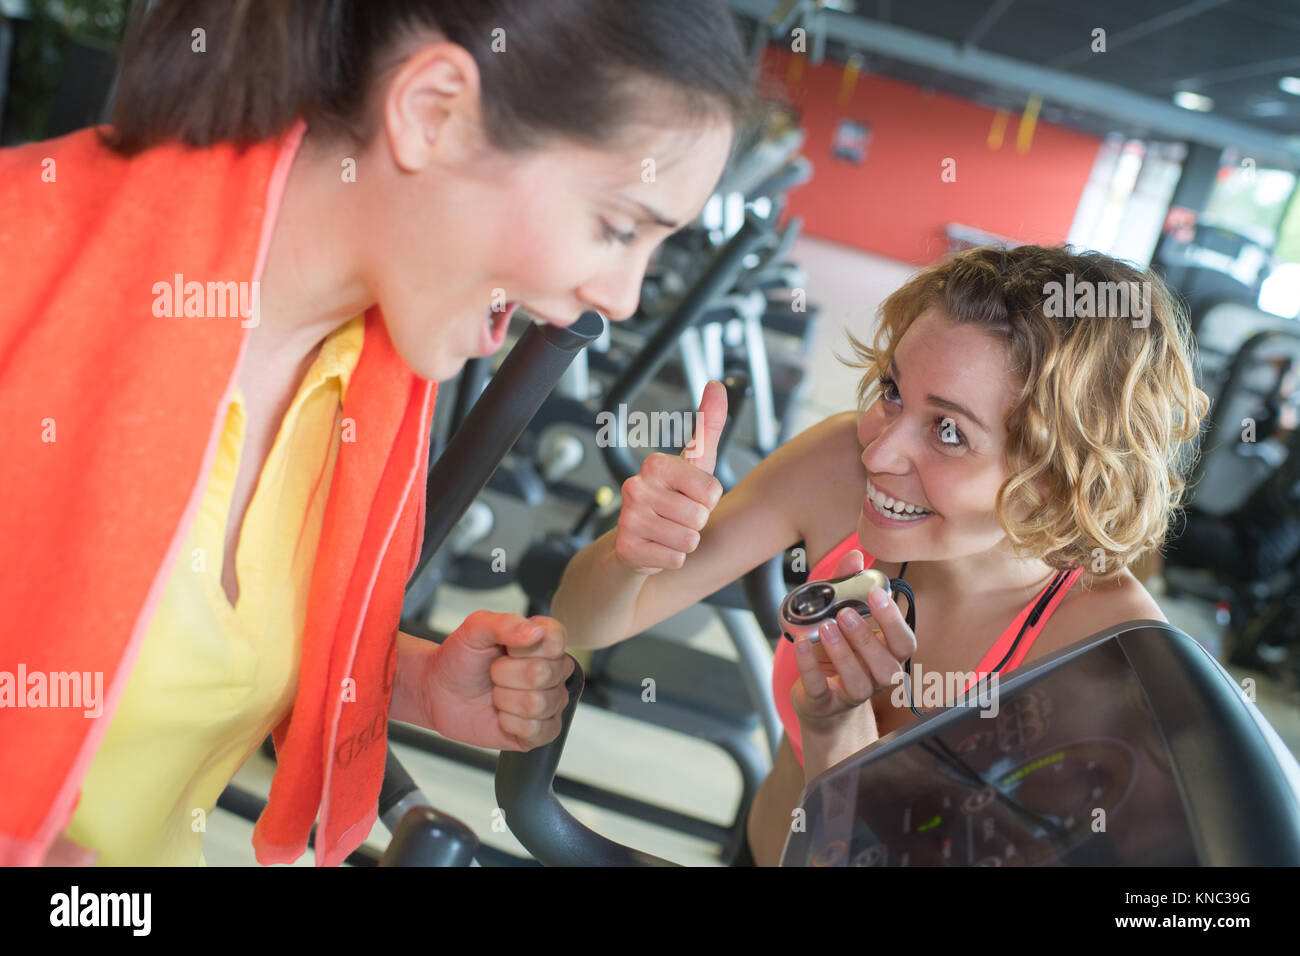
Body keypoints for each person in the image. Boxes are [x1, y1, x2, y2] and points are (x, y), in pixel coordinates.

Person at [0, 0, 755, 866]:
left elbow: (163, 636)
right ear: (431, 111)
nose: (623, 297)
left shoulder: (361, 370)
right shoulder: (24, 280)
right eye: (619, 227)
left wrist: (410, 684)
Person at [552, 245, 1210, 866]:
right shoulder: (838, 467)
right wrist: (633, 558)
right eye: (894, 392)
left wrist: (838, 738)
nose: (880, 453)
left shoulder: (1107, 657)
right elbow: (581, 624)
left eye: (948, 431)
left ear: (1055, 477)